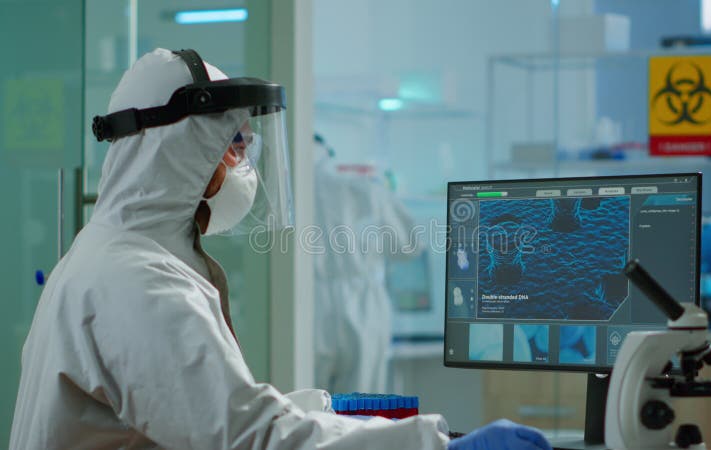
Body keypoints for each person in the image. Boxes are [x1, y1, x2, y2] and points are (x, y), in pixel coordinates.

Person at [10, 48, 551, 450]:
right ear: (182, 153)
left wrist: (327, 412)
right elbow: (250, 439)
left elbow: (206, 411)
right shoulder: (142, 284)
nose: (243, 166)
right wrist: (435, 447)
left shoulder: (110, 251)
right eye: (234, 146)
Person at [313, 135, 415, 394]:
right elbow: (408, 246)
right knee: (360, 411)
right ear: (328, 149)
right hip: (364, 305)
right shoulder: (363, 182)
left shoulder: (283, 182)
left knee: (306, 407)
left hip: (309, 307)